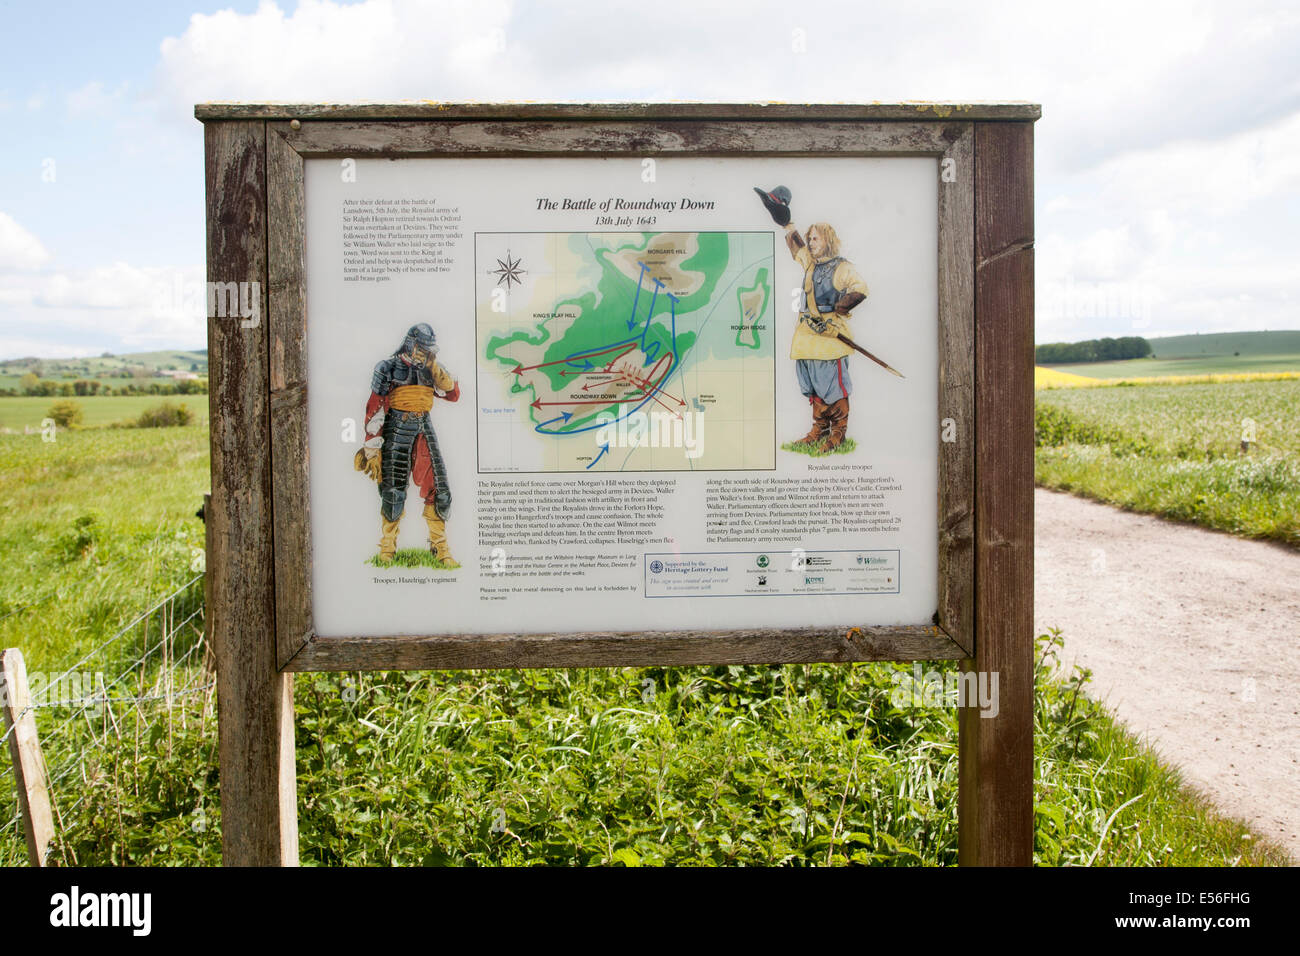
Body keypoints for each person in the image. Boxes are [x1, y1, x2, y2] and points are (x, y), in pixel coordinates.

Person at [755, 187, 869, 452]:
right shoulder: (811, 263)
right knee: (811, 383)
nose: (811, 242)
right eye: (810, 238)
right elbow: (795, 244)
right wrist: (785, 220)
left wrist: (838, 310)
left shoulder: (841, 267)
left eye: (815, 238)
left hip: (830, 336)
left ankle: (838, 432)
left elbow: (860, 288)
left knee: (833, 385)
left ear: (827, 240)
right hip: (807, 335)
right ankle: (820, 429)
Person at [355, 323, 460, 566]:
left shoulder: (431, 369)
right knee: (393, 490)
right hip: (396, 428)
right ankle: (387, 548)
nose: (424, 352)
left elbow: (453, 394)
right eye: (422, 348)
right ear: (412, 343)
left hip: (424, 427)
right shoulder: (388, 367)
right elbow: (375, 405)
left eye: (428, 349)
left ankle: (441, 548)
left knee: (439, 488)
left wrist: (434, 367)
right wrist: (372, 443)